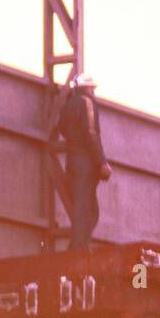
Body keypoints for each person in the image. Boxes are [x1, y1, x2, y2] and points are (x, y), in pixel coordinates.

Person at [59, 72, 112, 249]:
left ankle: (77, 248)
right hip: (85, 166)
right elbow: (91, 134)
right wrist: (101, 163)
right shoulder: (87, 103)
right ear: (89, 88)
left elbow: (63, 130)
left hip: (72, 165)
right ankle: (76, 250)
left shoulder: (67, 106)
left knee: (82, 209)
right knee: (89, 212)